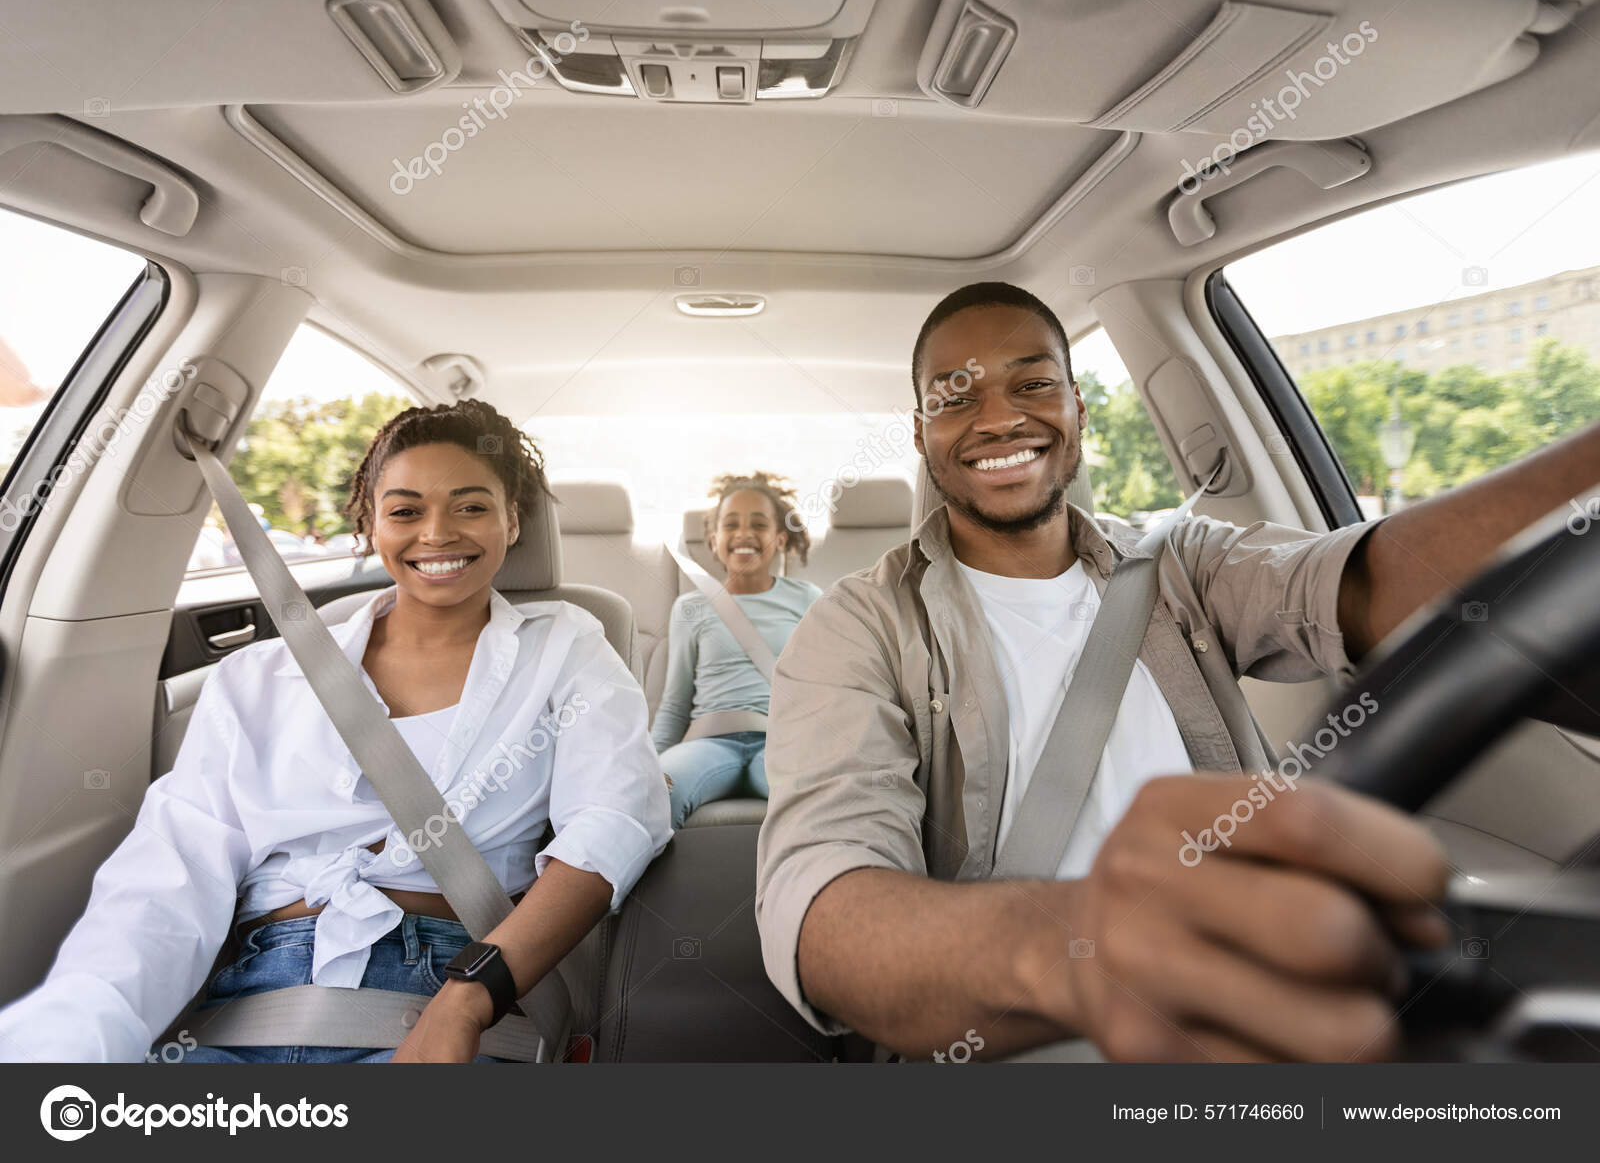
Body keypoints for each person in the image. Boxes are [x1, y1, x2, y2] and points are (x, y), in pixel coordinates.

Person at [755, 281, 1600, 1062]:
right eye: (955, 396)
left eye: (1034, 384)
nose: (999, 417)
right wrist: (1081, 946)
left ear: (1078, 408)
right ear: (921, 433)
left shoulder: (1180, 563)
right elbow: (821, 907)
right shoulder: (855, 626)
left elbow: (1370, 579)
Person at [0, 399, 671, 1063]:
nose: (437, 532)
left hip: (449, 987)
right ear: (369, 524)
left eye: (471, 505)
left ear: (513, 519)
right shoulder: (259, 677)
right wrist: (70, 1039)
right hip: (243, 1012)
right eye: (406, 509)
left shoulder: (567, 646)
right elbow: (167, 874)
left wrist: (467, 998)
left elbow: (612, 821)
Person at [652, 472, 821, 828]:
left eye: (758, 524)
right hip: (708, 743)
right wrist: (647, 764)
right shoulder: (690, 608)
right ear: (714, 541)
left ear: (779, 539)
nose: (744, 533)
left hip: (782, 741)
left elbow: (826, 691)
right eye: (731, 525)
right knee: (654, 794)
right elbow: (674, 703)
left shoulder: (807, 599)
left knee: (812, 799)